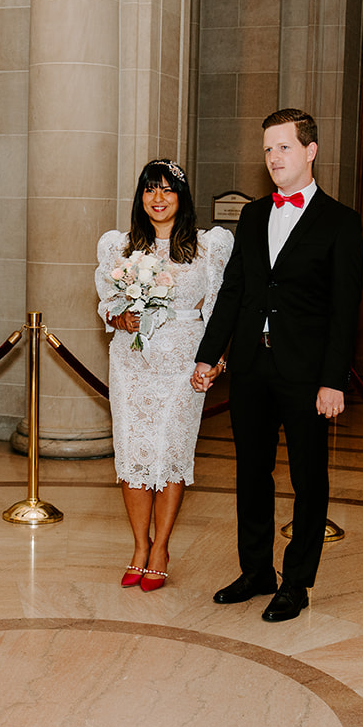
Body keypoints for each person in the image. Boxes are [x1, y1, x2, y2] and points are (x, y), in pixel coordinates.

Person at [192, 109, 363, 622]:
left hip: (307, 372)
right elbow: (235, 289)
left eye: (283, 147)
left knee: (309, 478)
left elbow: (344, 309)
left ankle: (296, 582)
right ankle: (256, 572)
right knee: (252, 472)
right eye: (267, 149)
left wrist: (333, 380)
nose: (273, 158)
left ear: (310, 151)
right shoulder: (252, 216)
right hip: (251, 365)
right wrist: (209, 353)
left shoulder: (341, 222)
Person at [96, 159, 234, 591]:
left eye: (167, 190)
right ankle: (140, 545)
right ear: (140, 197)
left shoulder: (207, 246)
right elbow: (106, 303)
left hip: (182, 363)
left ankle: (162, 548)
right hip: (131, 364)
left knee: (170, 452)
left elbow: (218, 311)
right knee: (133, 453)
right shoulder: (119, 247)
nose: (158, 198)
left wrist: (216, 361)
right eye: (149, 189)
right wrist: (120, 319)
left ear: (181, 197)